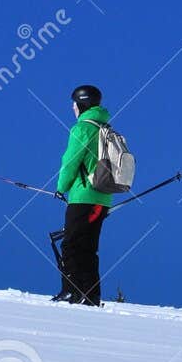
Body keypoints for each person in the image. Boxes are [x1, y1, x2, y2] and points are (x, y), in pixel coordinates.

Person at [52, 85, 112, 305]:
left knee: (71, 245)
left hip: (83, 196)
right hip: (103, 198)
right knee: (88, 247)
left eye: (74, 103)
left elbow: (70, 161)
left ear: (82, 104)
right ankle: (90, 295)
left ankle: (71, 291)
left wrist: (61, 187)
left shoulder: (83, 129)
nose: (72, 108)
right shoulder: (105, 128)